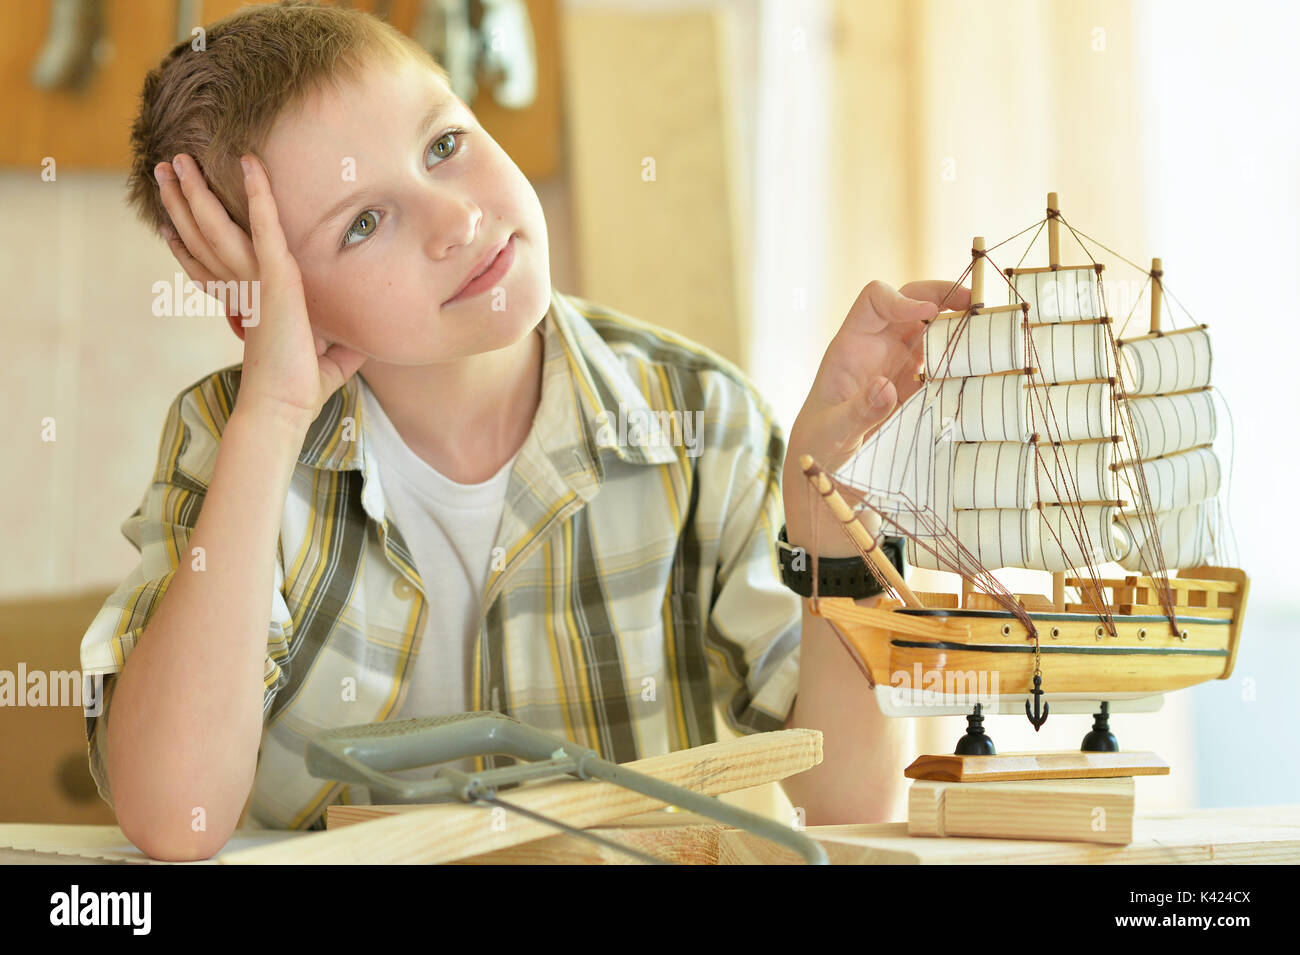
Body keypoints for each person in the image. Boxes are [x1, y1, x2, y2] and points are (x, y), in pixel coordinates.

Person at [79, 0, 966, 860]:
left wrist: (831, 515)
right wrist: (272, 417)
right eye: (362, 223)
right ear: (264, 295)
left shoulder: (704, 424)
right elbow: (177, 815)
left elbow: (852, 804)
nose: (457, 219)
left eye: (444, 145)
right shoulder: (229, 439)